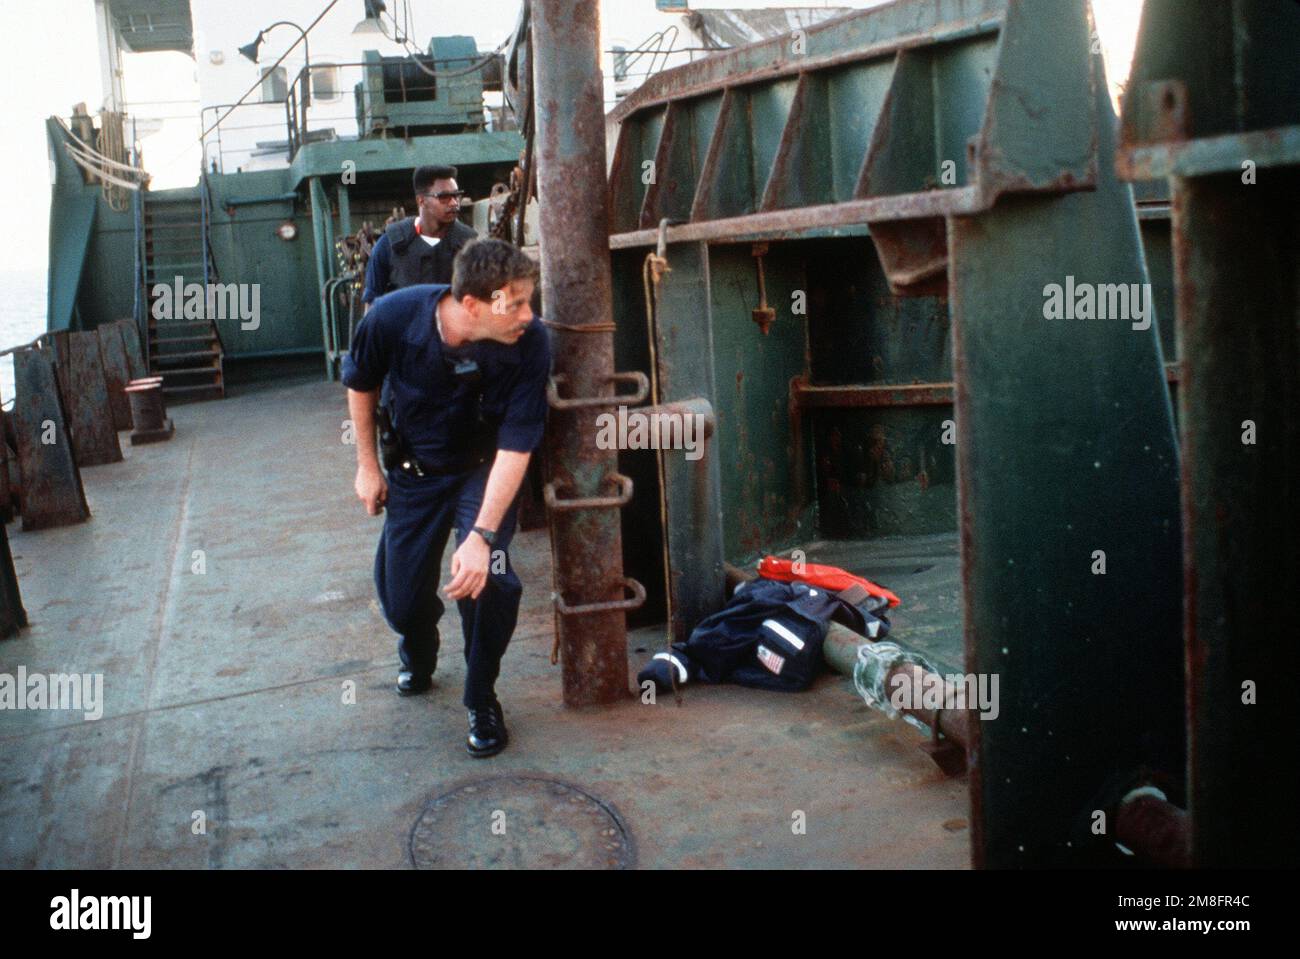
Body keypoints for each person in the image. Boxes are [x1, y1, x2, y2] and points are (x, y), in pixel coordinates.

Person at [343, 239, 549, 758]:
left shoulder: (531, 342)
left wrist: (481, 535)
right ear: (472, 305)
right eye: (515, 304)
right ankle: (418, 644)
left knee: (491, 577)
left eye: (529, 301)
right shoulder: (392, 317)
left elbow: (516, 446)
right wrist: (367, 465)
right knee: (401, 598)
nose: (528, 315)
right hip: (415, 472)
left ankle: (481, 697)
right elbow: (361, 382)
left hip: (485, 472)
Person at [362, 164, 478, 313]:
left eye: (456, 196)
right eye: (444, 197)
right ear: (421, 201)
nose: (454, 203)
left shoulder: (469, 245)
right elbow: (372, 304)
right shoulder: (390, 243)